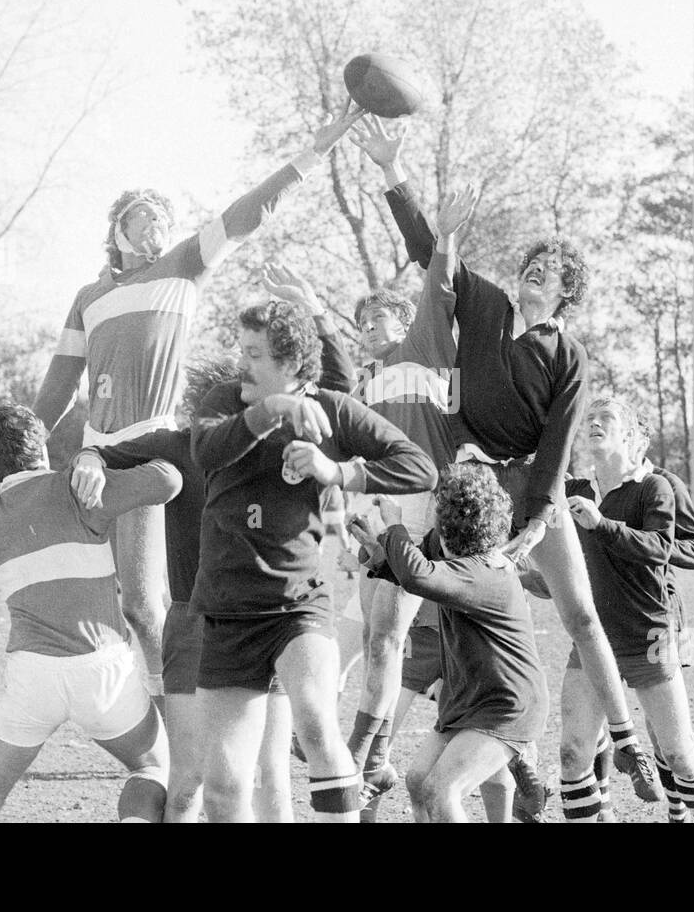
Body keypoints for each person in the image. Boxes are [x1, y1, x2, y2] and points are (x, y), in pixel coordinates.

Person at [350, 118, 661, 804]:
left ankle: (629, 743)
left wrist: (534, 521)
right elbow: (431, 251)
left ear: (566, 296)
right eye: (533, 265)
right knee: (449, 613)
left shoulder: (569, 356)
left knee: (580, 614)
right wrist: (394, 172)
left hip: (532, 490)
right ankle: (469, 753)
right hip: (474, 482)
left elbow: (556, 447)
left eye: (551, 275)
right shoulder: (485, 304)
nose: (534, 274)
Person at [30, 102, 366, 710]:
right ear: (117, 229)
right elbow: (58, 386)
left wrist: (314, 152)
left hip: (154, 451)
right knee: (114, 608)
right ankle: (164, 711)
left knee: (144, 603)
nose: (156, 222)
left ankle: (173, 719)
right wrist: (19, 451)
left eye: (164, 214)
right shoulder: (88, 297)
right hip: (93, 458)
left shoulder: (183, 267)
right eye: (142, 214)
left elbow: (247, 213)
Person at [79, 267, 356, 822]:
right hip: (194, 621)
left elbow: (342, 389)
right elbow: (109, 451)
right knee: (189, 785)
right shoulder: (184, 446)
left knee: (271, 771)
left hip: (263, 612)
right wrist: (88, 456)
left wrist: (315, 311)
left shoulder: (284, 438)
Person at [172, 300, 436, 821]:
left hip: (298, 605)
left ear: (290, 364)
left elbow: (420, 467)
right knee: (224, 789)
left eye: (254, 353)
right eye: (242, 349)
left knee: (315, 723)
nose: (242, 362)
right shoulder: (225, 400)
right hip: (227, 612)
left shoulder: (334, 410)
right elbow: (207, 451)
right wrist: (273, 410)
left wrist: (339, 472)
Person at [0, 404, 180, 822]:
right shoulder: (77, 489)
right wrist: (96, 458)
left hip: (31, 677)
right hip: (102, 672)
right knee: (153, 767)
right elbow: (168, 479)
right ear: (41, 445)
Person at [345, 186, 477, 812]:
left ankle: (366, 756)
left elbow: (438, 282)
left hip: (427, 503)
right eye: (361, 323)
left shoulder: (425, 343)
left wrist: (444, 234)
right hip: (380, 513)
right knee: (385, 638)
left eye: (378, 318)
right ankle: (373, 759)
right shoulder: (364, 383)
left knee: (394, 638)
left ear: (402, 320)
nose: (369, 329)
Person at [349, 465, 548, 823]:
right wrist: (374, 548)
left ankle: (519, 758)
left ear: (446, 531)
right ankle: (519, 764)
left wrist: (394, 523)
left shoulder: (485, 572)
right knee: (419, 781)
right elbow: (410, 571)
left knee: (443, 790)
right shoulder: (464, 559)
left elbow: (417, 575)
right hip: (469, 701)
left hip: (506, 708)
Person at [561, 397, 694, 823]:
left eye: (605, 419)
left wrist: (605, 527)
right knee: (574, 749)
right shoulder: (574, 490)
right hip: (594, 636)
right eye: (589, 418)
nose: (593, 424)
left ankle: (679, 811)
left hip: (652, 629)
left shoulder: (658, 485)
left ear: (634, 438)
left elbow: (674, 548)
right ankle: (607, 805)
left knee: (674, 749)